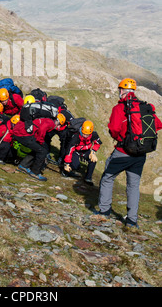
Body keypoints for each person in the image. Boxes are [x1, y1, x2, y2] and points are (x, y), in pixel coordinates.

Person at [97, 78, 162, 227]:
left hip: (122, 152)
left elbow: (113, 128)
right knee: (133, 186)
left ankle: (104, 211)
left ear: (122, 90)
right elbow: (158, 125)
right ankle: (132, 220)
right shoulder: (145, 107)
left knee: (107, 178)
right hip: (140, 154)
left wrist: (121, 138)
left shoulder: (119, 108)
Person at [12, 114, 66, 181]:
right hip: (23, 135)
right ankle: (35, 172)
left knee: (38, 149)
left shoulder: (46, 119)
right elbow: (42, 129)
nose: (59, 126)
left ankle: (23, 166)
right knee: (42, 151)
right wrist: (41, 141)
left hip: (20, 132)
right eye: (60, 124)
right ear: (57, 122)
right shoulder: (51, 123)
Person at [62, 120, 101, 185]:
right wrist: (67, 163)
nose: (85, 136)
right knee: (75, 166)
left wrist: (93, 151)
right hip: (76, 151)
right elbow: (70, 150)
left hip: (86, 150)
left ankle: (88, 178)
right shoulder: (76, 137)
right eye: (83, 134)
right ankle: (66, 171)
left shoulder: (94, 135)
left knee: (93, 160)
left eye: (87, 135)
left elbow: (98, 143)